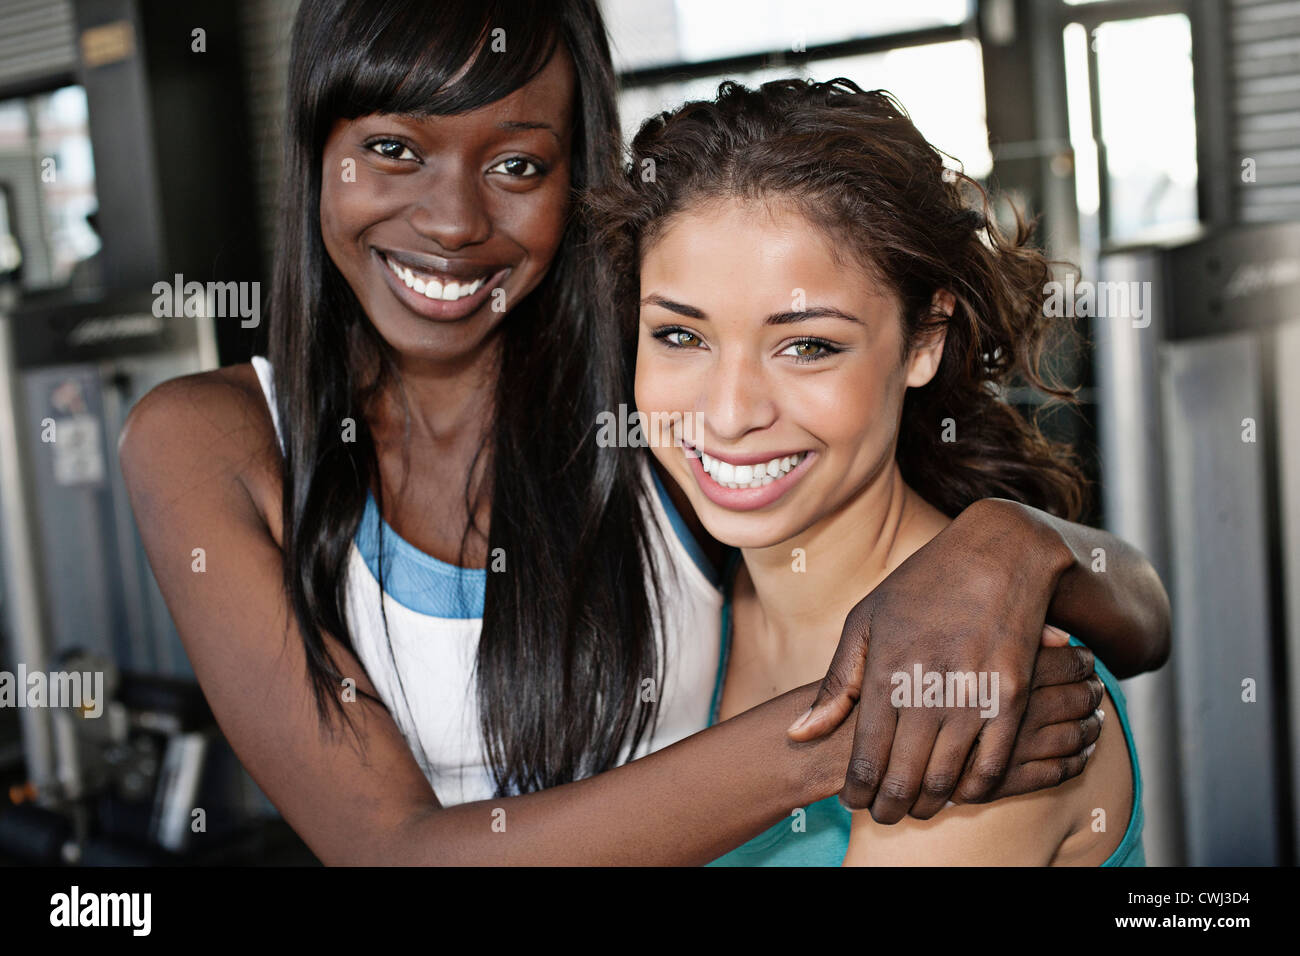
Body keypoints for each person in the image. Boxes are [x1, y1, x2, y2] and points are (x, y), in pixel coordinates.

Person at [119, 0, 1167, 865]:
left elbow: (1134, 612)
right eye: (391, 149)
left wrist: (1010, 544)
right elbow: (392, 850)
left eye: (518, 165)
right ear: (314, 154)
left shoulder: (635, 402)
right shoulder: (214, 440)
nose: (449, 221)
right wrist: (849, 730)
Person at [596, 77, 1147, 864]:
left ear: (923, 341)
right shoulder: (678, 592)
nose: (728, 413)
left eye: (808, 345)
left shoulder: (980, 700)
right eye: (681, 337)